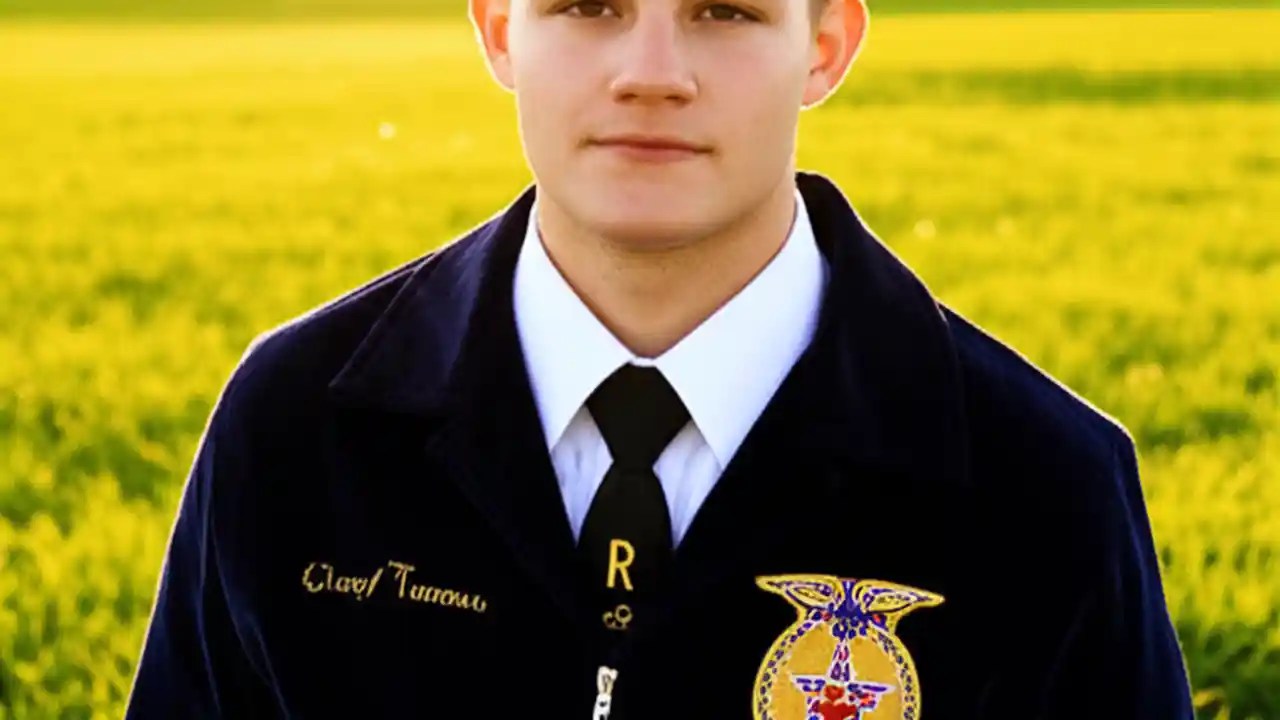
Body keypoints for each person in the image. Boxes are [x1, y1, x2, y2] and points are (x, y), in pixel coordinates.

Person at [125, 0, 1195, 717]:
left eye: (722, 10)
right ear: (498, 27)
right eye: (589, 5)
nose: (651, 73)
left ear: (824, 42)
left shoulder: (1042, 483)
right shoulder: (296, 424)